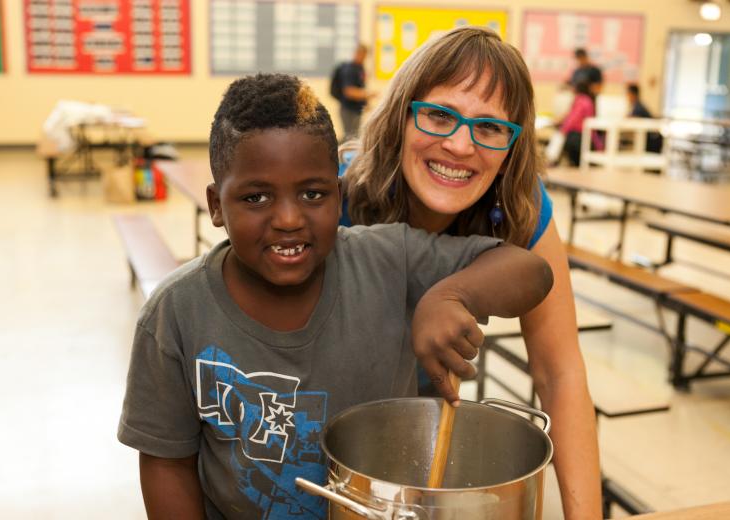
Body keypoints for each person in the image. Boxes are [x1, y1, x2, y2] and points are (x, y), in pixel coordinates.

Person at [118, 73, 554, 519]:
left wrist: (450, 295)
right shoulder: (175, 313)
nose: (288, 218)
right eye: (256, 197)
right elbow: (165, 462)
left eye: (312, 194)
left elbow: (529, 270)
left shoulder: (388, 258)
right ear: (215, 205)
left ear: (338, 194)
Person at [342, 27, 602, 519]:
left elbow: (560, 372)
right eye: (439, 115)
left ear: (512, 149)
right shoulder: (337, 197)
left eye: (489, 127)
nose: (460, 146)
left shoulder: (523, 210)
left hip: (417, 435)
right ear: (401, 116)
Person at [331, 44, 373, 141]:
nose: (364, 58)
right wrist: (367, 94)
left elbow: (360, 87)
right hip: (348, 109)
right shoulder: (350, 69)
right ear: (358, 53)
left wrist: (366, 103)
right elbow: (348, 91)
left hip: (357, 109)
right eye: (363, 55)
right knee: (350, 138)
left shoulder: (360, 68)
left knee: (354, 136)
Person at [560, 81, 601, 166]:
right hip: (588, 136)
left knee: (563, 140)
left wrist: (563, 130)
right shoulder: (589, 100)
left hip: (578, 137)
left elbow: (573, 118)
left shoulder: (580, 100)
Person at [627, 83, 664, 153]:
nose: (627, 97)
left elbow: (631, 119)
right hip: (649, 138)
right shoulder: (637, 105)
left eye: (628, 94)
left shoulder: (638, 107)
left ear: (632, 94)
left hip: (650, 140)